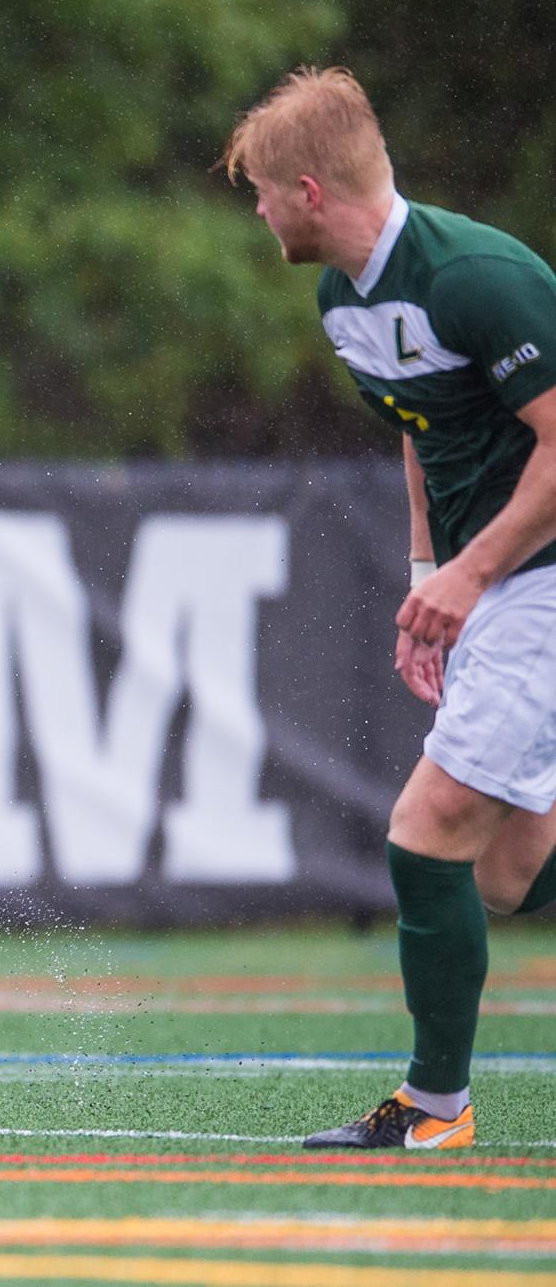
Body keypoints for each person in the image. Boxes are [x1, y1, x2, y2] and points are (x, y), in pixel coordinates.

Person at [225, 67, 556, 1149]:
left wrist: (470, 576)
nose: (258, 212)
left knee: (425, 836)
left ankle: (434, 1107)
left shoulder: (475, 278)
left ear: (309, 191)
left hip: (539, 577)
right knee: (505, 872)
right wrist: (427, 579)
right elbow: (423, 423)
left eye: (261, 193)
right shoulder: (343, 299)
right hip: (489, 584)